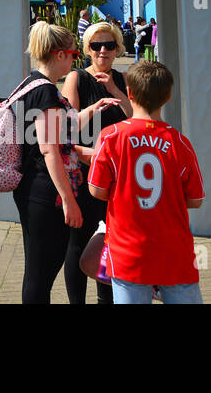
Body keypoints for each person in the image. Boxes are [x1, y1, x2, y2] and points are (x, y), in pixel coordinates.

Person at [11, 22, 116, 304]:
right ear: (59, 55)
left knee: (37, 270)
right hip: (45, 192)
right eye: (72, 54)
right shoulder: (46, 92)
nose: (74, 60)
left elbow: (62, 134)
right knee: (40, 274)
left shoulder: (31, 84)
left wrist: (92, 109)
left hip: (34, 188)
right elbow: (50, 150)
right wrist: (69, 200)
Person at [88, 60, 205, 304]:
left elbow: (97, 190)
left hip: (128, 251)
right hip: (175, 251)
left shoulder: (111, 136)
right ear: (168, 96)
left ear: (129, 93)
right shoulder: (180, 143)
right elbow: (195, 200)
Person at [61, 21, 133, 304]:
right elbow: (67, 129)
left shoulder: (123, 79)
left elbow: (134, 120)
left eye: (109, 45)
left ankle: (107, 298)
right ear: (87, 49)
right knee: (78, 243)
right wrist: (93, 111)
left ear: (117, 49)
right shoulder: (76, 78)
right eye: (96, 46)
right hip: (84, 174)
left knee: (111, 241)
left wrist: (115, 89)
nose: (103, 51)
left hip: (115, 178)